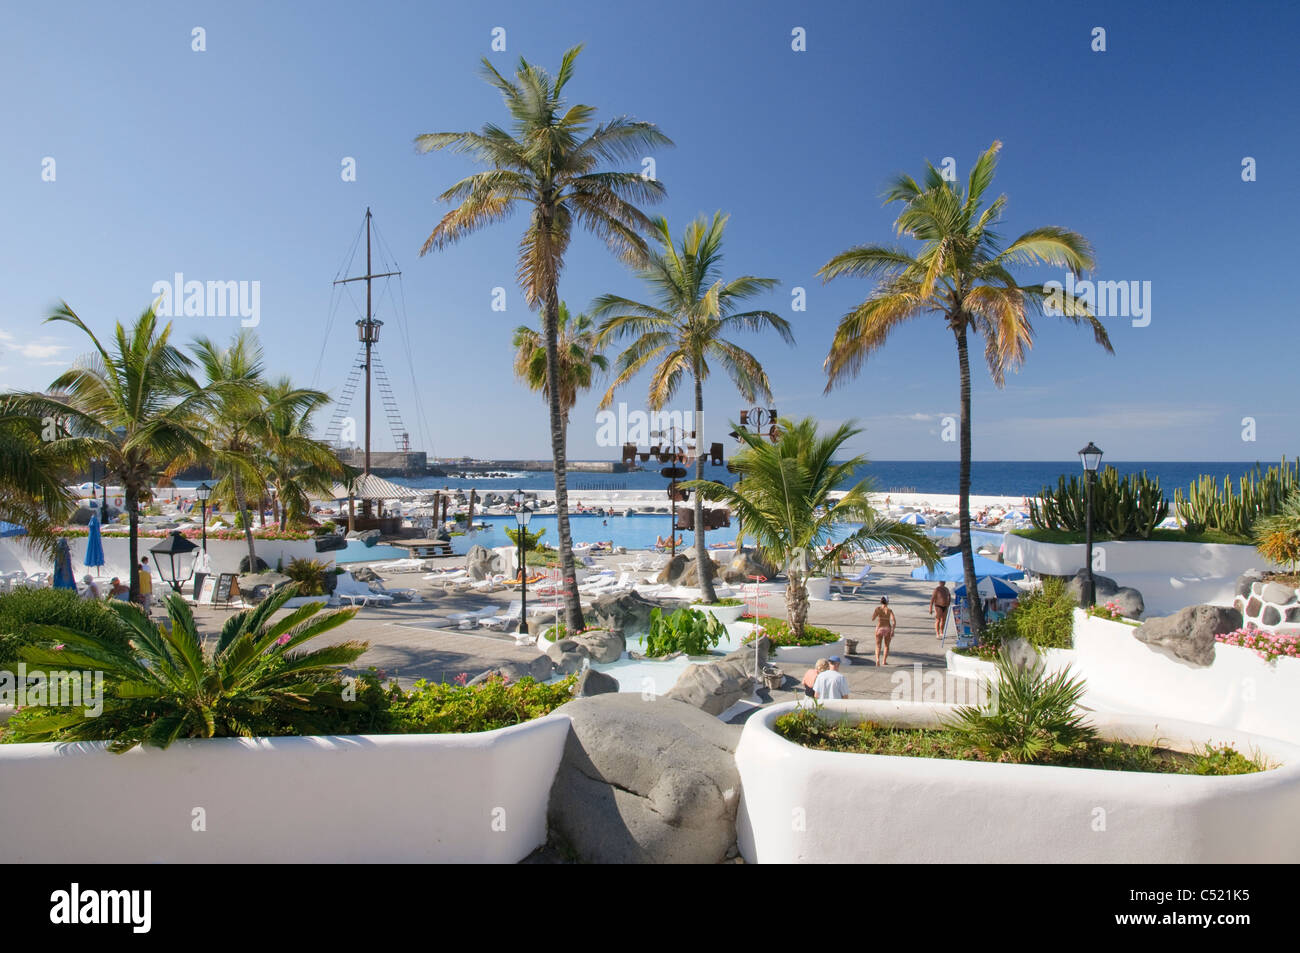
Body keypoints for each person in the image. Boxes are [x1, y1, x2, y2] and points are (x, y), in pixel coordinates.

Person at [872, 596, 897, 666]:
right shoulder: (889, 610)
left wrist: (877, 615)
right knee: (886, 646)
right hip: (887, 628)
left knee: (878, 646)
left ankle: (877, 660)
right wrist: (893, 630)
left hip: (879, 628)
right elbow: (894, 621)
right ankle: (884, 661)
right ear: (887, 602)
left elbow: (873, 618)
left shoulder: (878, 609)